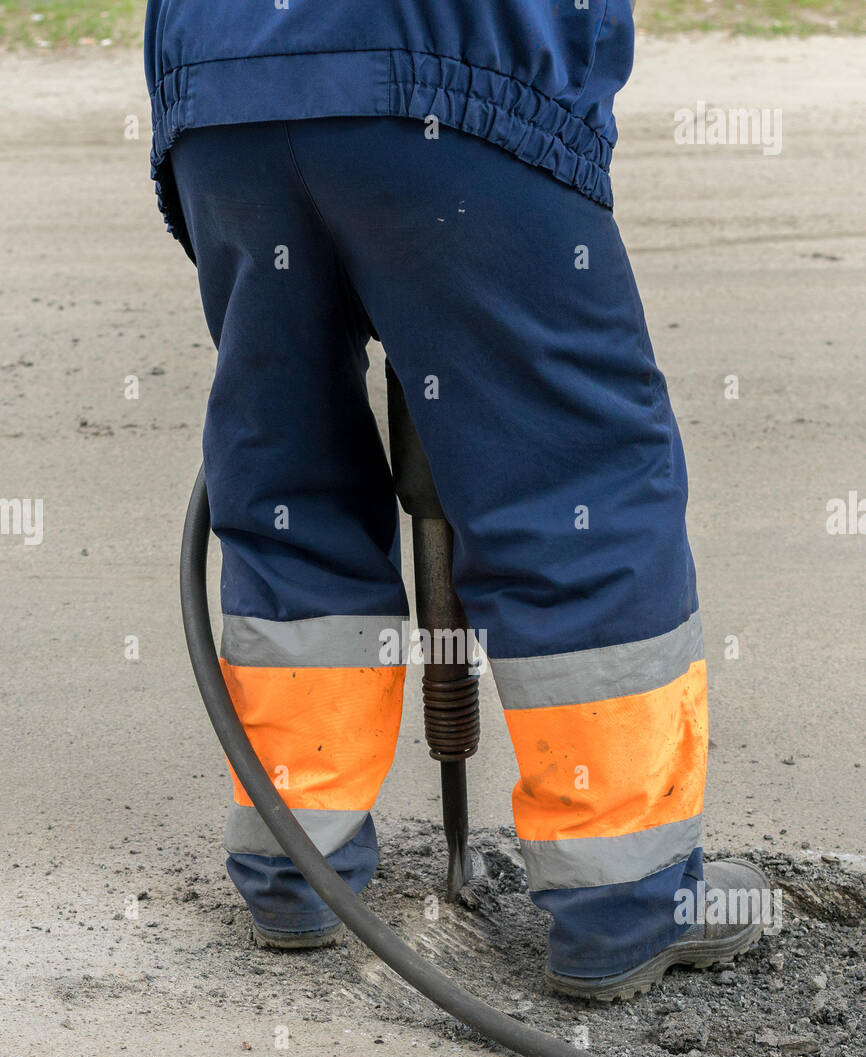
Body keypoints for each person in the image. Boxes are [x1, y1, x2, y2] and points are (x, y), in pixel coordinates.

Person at [144, 0, 769, 1001]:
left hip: (225, 92)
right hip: (449, 66)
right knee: (575, 477)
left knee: (286, 479)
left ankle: (296, 866)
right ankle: (625, 895)